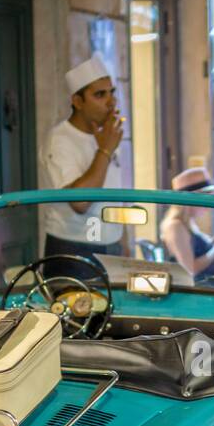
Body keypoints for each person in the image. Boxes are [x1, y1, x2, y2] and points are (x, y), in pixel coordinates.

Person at [38, 52, 126, 272]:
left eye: (111, 92)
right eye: (99, 95)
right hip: (73, 250)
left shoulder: (105, 134)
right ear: (77, 101)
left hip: (110, 246)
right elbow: (80, 203)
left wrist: (121, 240)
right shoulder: (60, 140)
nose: (111, 102)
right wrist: (104, 150)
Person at [160, 167, 214, 280]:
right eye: (205, 195)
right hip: (200, 292)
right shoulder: (175, 226)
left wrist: (213, 243)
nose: (209, 202)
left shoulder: (188, 222)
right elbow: (191, 269)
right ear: (190, 198)